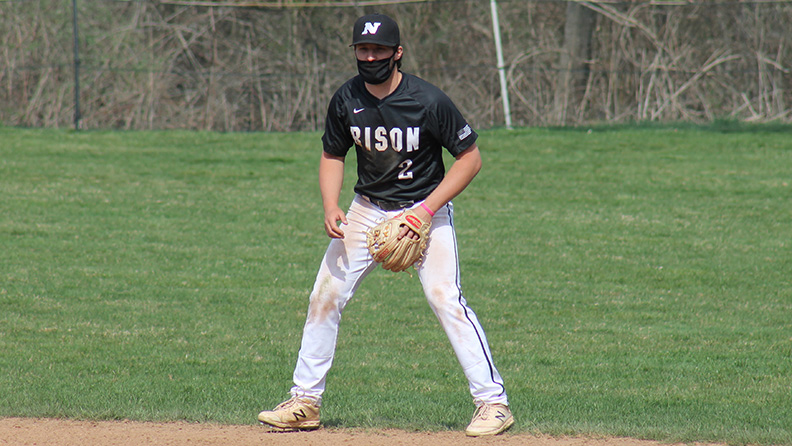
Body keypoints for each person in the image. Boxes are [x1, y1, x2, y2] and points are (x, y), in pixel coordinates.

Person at [257, 12, 513, 437]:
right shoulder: (346, 98)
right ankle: (304, 402)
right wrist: (330, 204)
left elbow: (470, 159)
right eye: (363, 49)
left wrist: (425, 211)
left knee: (444, 297)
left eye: (379, 49)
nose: (370, 56)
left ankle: (493, 403)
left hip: (425, 210)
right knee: (324, 296)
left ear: (397, 53)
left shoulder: (428, 100)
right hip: (367, 210)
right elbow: (333, 154)